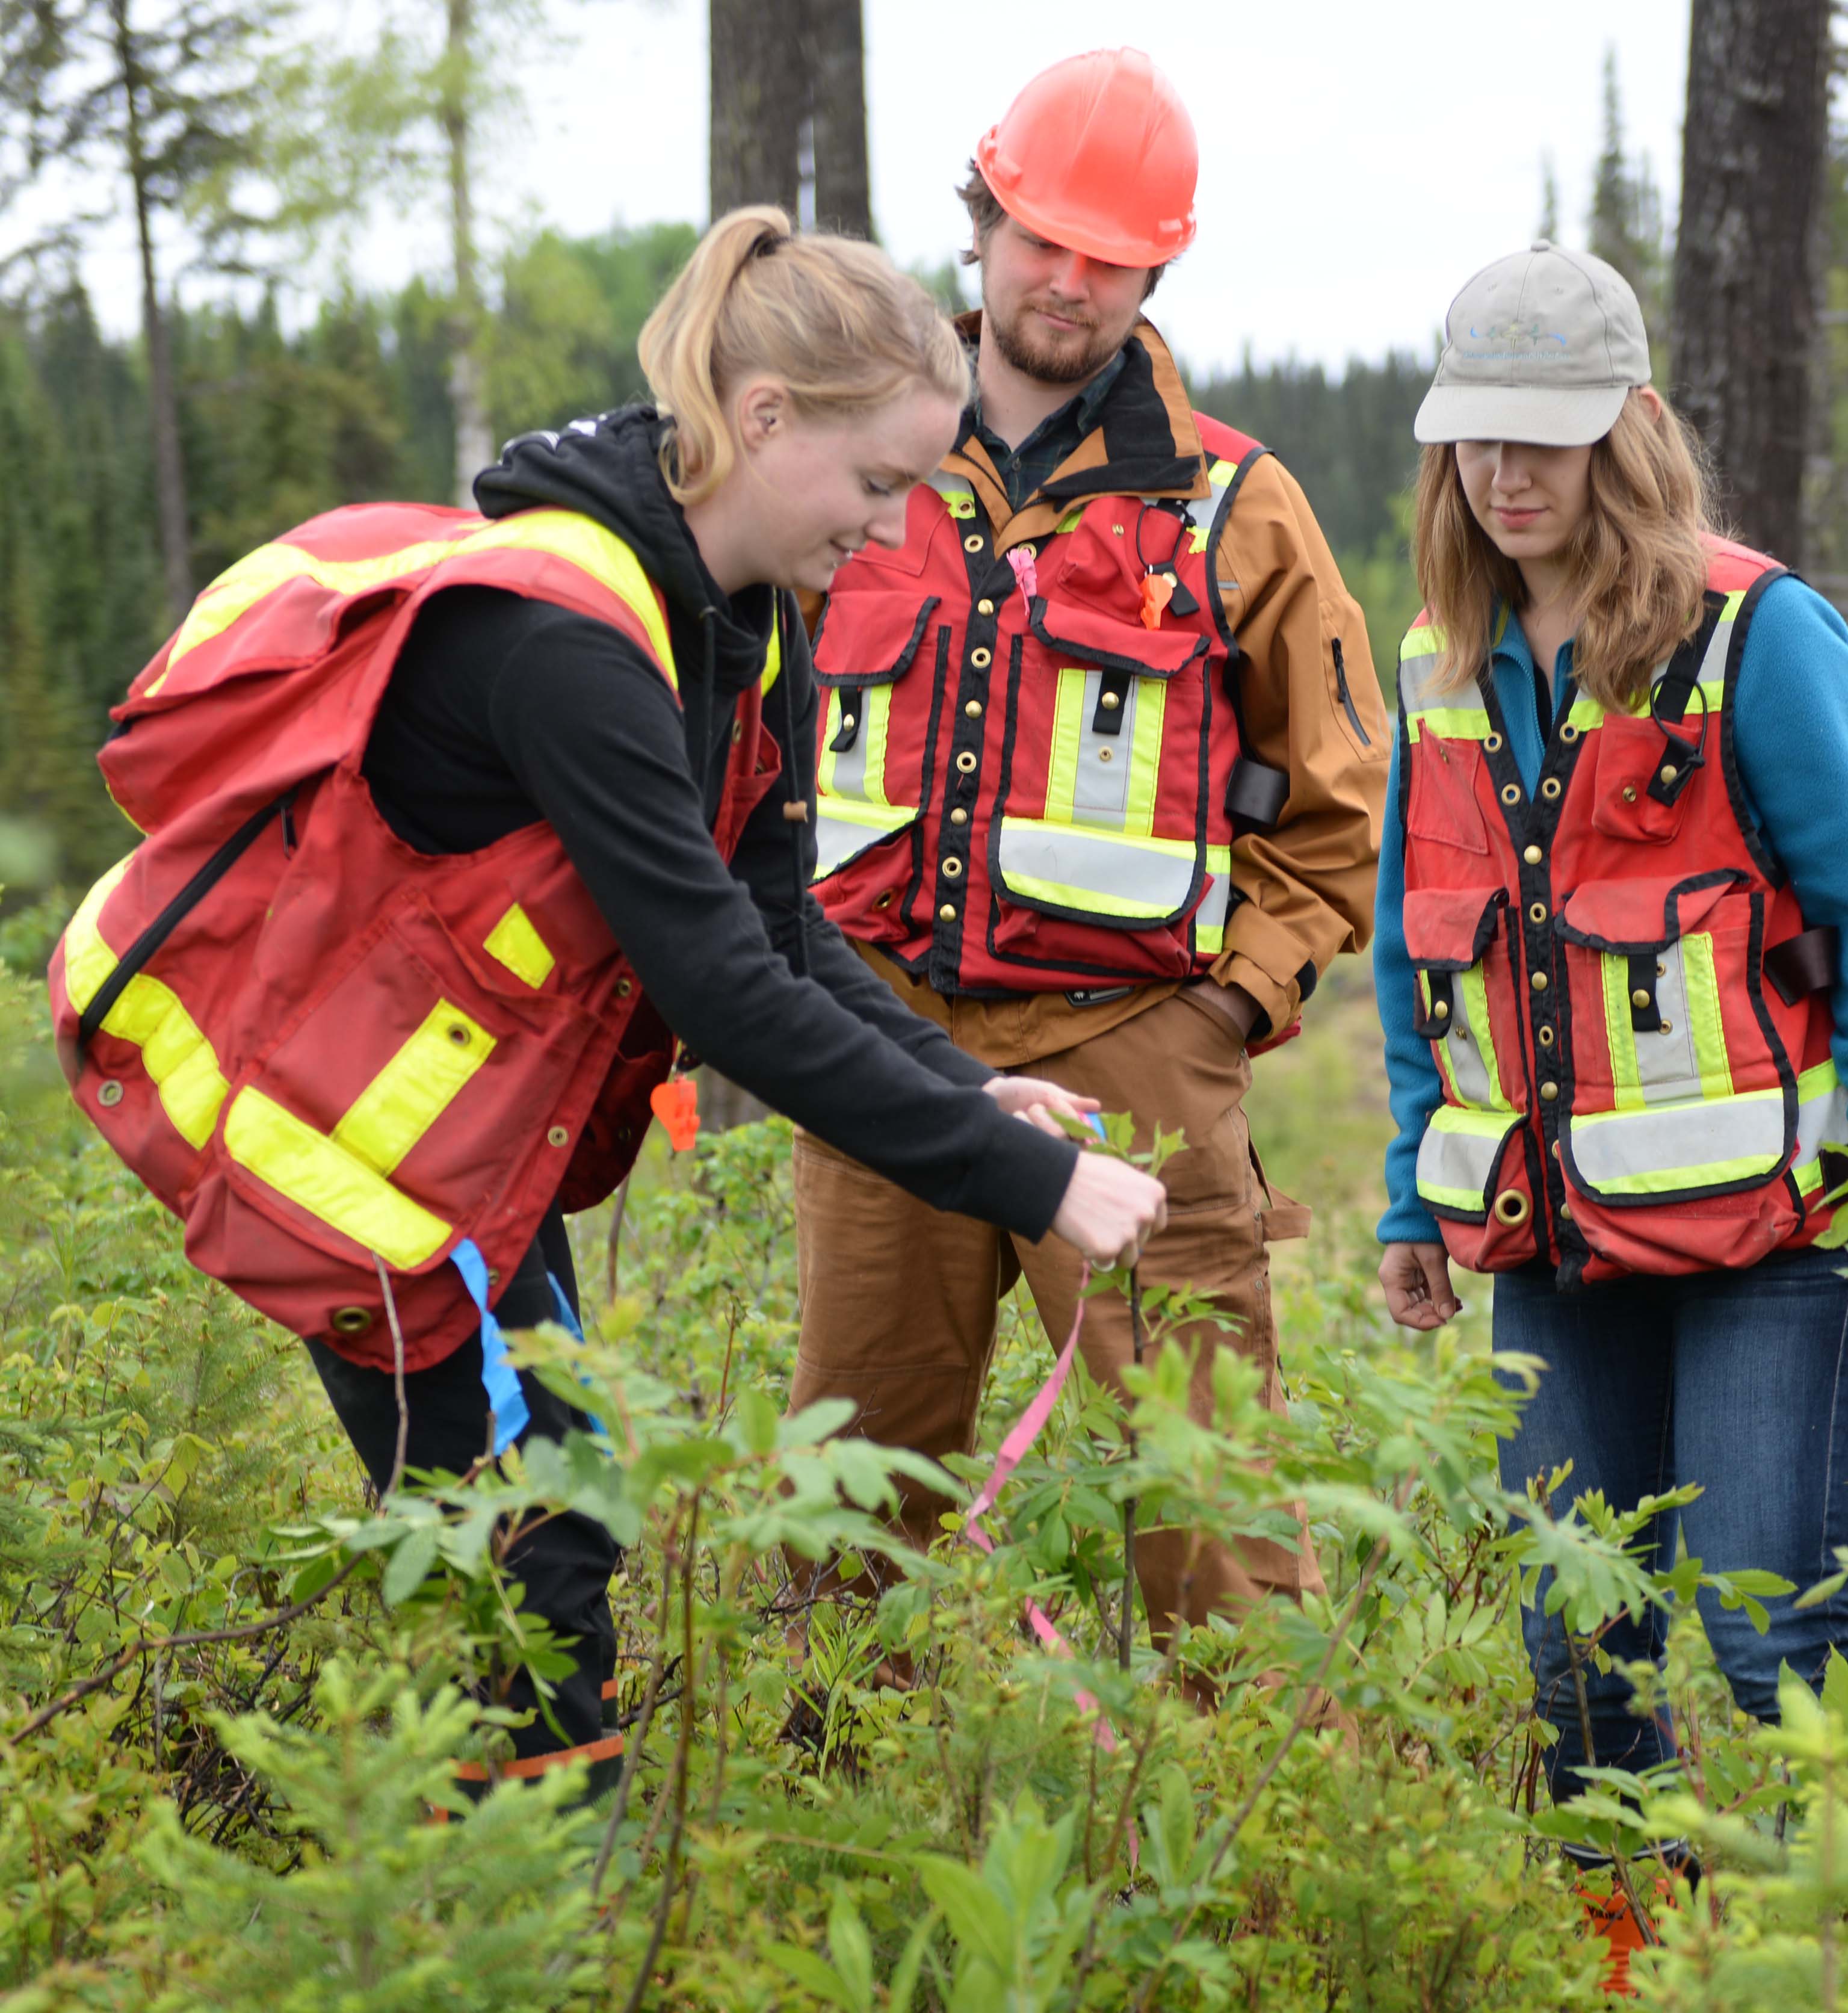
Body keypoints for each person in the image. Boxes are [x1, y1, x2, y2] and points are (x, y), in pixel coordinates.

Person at [51, 207, 1166, 1790]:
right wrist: (1036, 1184)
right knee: (531, 1550)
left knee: (543, 1516)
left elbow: (775, 922)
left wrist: (958, 1082)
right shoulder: (561, 643)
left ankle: (478, 1845)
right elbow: (710, 983)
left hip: (462, 1151)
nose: (892, 526)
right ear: (763, 419)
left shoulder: (741, 620)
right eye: (876, 484)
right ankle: (516, 1897)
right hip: (345, 1156)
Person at [1370, 243, 1848, 1951]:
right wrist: (1418, 1196)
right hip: (1554, 1251)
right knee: (1573, 1642)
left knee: (1774, 1625)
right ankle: (1627, 1965)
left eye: (1542, 436)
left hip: (1779, 1241)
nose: (1505, 471)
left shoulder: (1758, 638)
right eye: (1475, 436)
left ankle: (1822, 1961)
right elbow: (1424, 964)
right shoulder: (1439, 658)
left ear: (1626, 428)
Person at [786, 47, 1387, 1634]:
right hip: (881, 1050)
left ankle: (1253, 1861)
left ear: (1157, 265)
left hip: (1132, 1063)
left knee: (1207, 1525)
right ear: (978, 225)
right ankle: (819, 1841)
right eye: (1040, 237)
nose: (1066, 279)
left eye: (1109, 256)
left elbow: (1335, 816)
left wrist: (1215, 1018)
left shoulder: (1232, 505)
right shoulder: (856, 465)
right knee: (844, 1513)